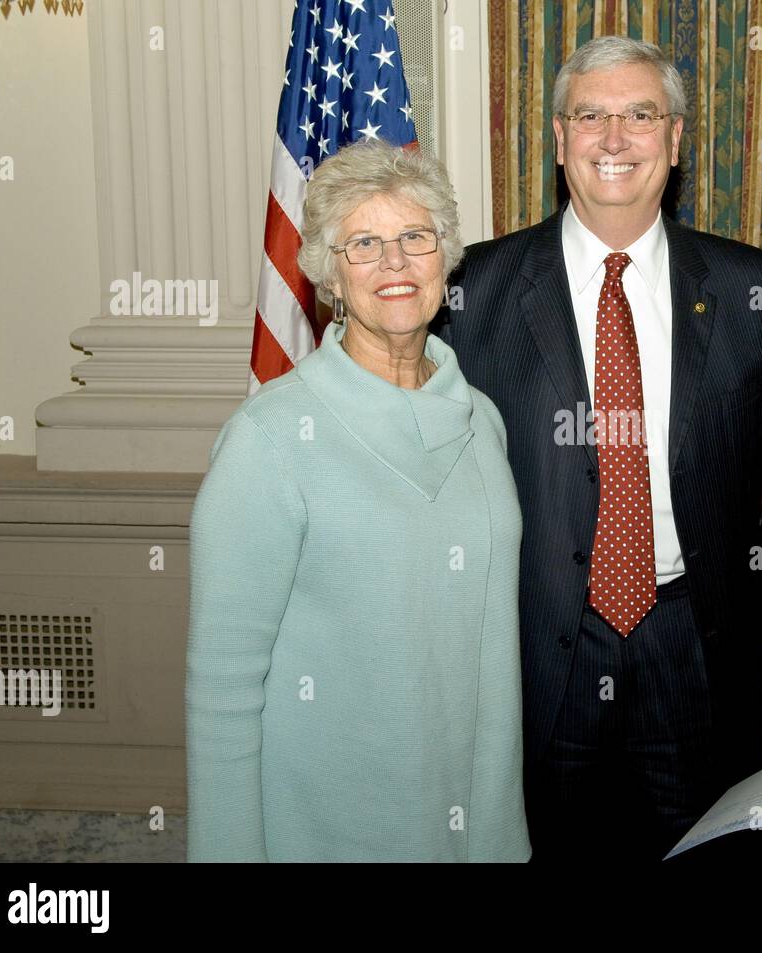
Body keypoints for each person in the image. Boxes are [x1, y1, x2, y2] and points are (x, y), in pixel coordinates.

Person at [438, 36, 762, 861]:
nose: (614, 139)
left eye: (640, 115)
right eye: (591, 116)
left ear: (675, 141)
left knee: (697, 851)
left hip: (694, 644)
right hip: (535, 649)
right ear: (560, 137)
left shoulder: (749, 286)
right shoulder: (473, 291)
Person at [185, 140, 529, 862]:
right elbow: (223, 688)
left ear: (446, 258)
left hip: (477, 820)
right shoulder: (269, 439)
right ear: (329, 276)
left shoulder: (484, 421)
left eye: (415, 237)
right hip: (329, 830)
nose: (395, 263)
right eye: (364, 243)